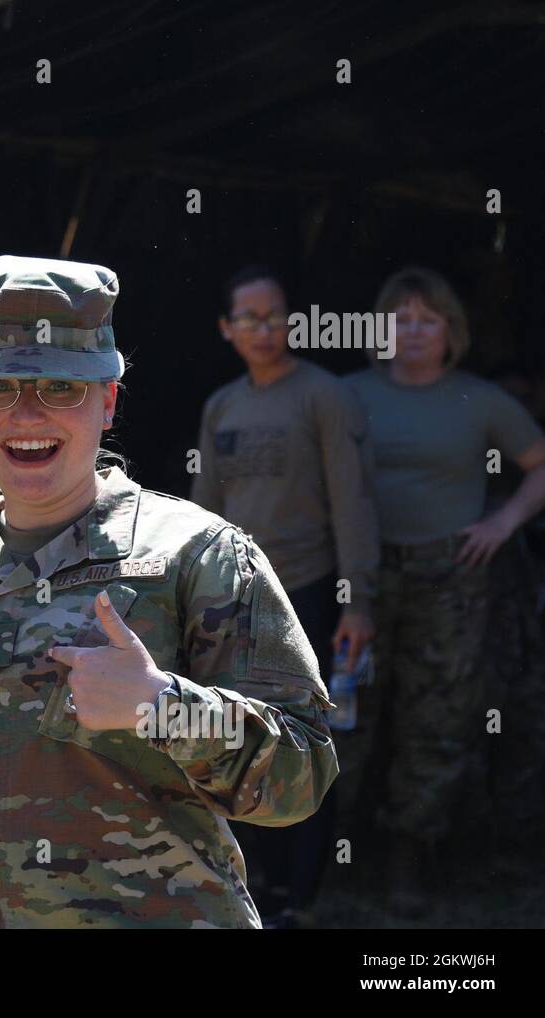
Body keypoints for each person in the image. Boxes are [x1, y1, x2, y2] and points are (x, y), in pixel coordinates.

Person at [0, 256, 337, 928]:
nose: (28, 414)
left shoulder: (193, 555)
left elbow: (304, 771)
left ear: (108, 400)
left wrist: (165, 708)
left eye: (60, 386)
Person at [341, 266, 545, 917]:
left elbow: (539, 465)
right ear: (381, 327)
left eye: (428, 319)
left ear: (451, 330)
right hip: (362, 580)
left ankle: (409, 858)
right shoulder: (344, 396)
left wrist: (503, 523)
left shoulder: (480, 401)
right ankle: (329, 851)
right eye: (402, 318)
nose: (415, 330)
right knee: (347, 714)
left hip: (449, 580)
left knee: (436, 721)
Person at [190, 266, 379, 927]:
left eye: (275, 315)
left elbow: (352, 501)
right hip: (236, 598)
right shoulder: (222, 406)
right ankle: (256, 884)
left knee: (305, 740)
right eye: (249, 317)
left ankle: (299, 894)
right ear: (226, 329)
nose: (264, 328)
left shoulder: (321, 396)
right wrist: (191, 588)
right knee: (238, 739)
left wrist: (357, 601)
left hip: (309, 589)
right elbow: (205, 511)